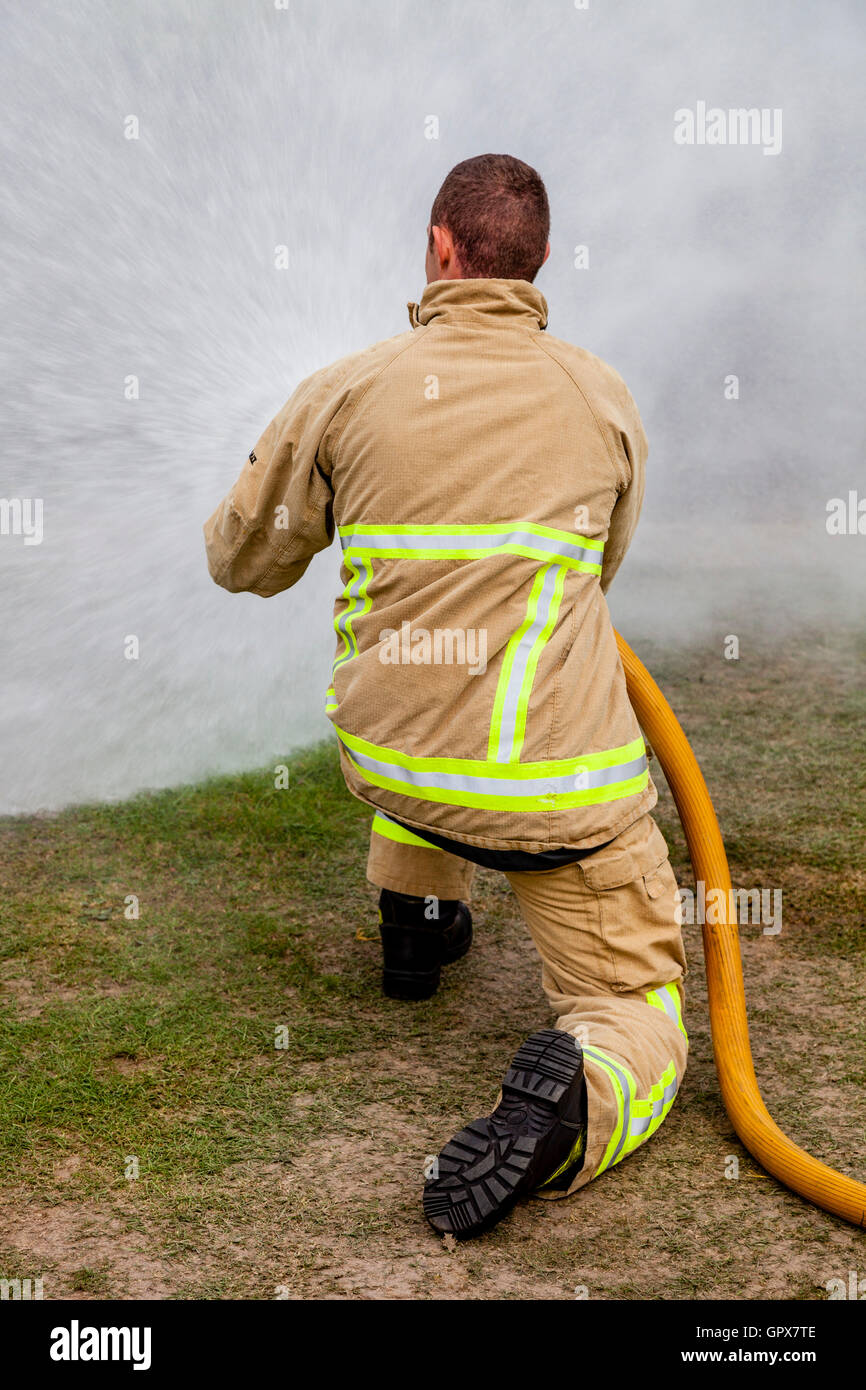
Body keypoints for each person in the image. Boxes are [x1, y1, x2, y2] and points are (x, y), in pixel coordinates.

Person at [204, 153, 687, 1240]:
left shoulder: (345, 387)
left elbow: (241, 559)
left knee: (424, 700)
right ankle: (582, 1098)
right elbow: (596, 575)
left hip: (394, 760)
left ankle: (414, 925)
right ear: (540, 263)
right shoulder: (598, 394)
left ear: (438, 250)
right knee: (637, 1005)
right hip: (550, 791)